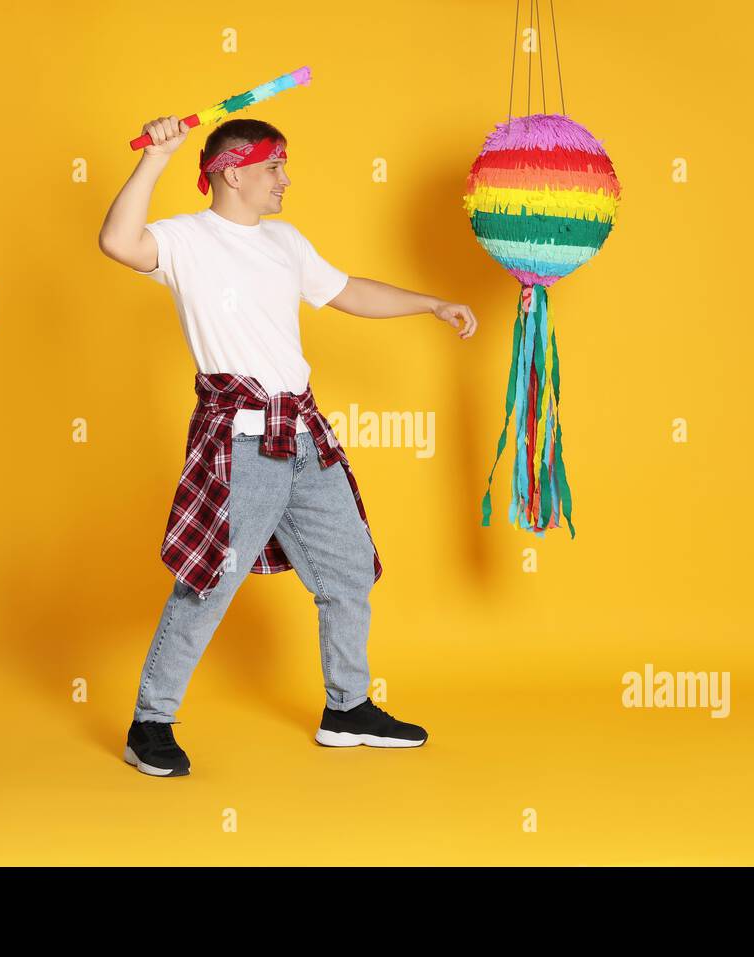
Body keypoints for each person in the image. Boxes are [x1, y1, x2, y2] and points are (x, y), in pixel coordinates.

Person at [98, 114, 478, 777]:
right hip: (240, 446)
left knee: (350, 571)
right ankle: (150, 723)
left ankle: (347, 708)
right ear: (233, 172)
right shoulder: (185, 239)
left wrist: (432, 303)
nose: (286, 179)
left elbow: (348, 290)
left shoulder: (284, 241)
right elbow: (117, 241)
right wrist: (157, 158)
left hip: (303, 437)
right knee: (210, 580)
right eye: (275, 168)